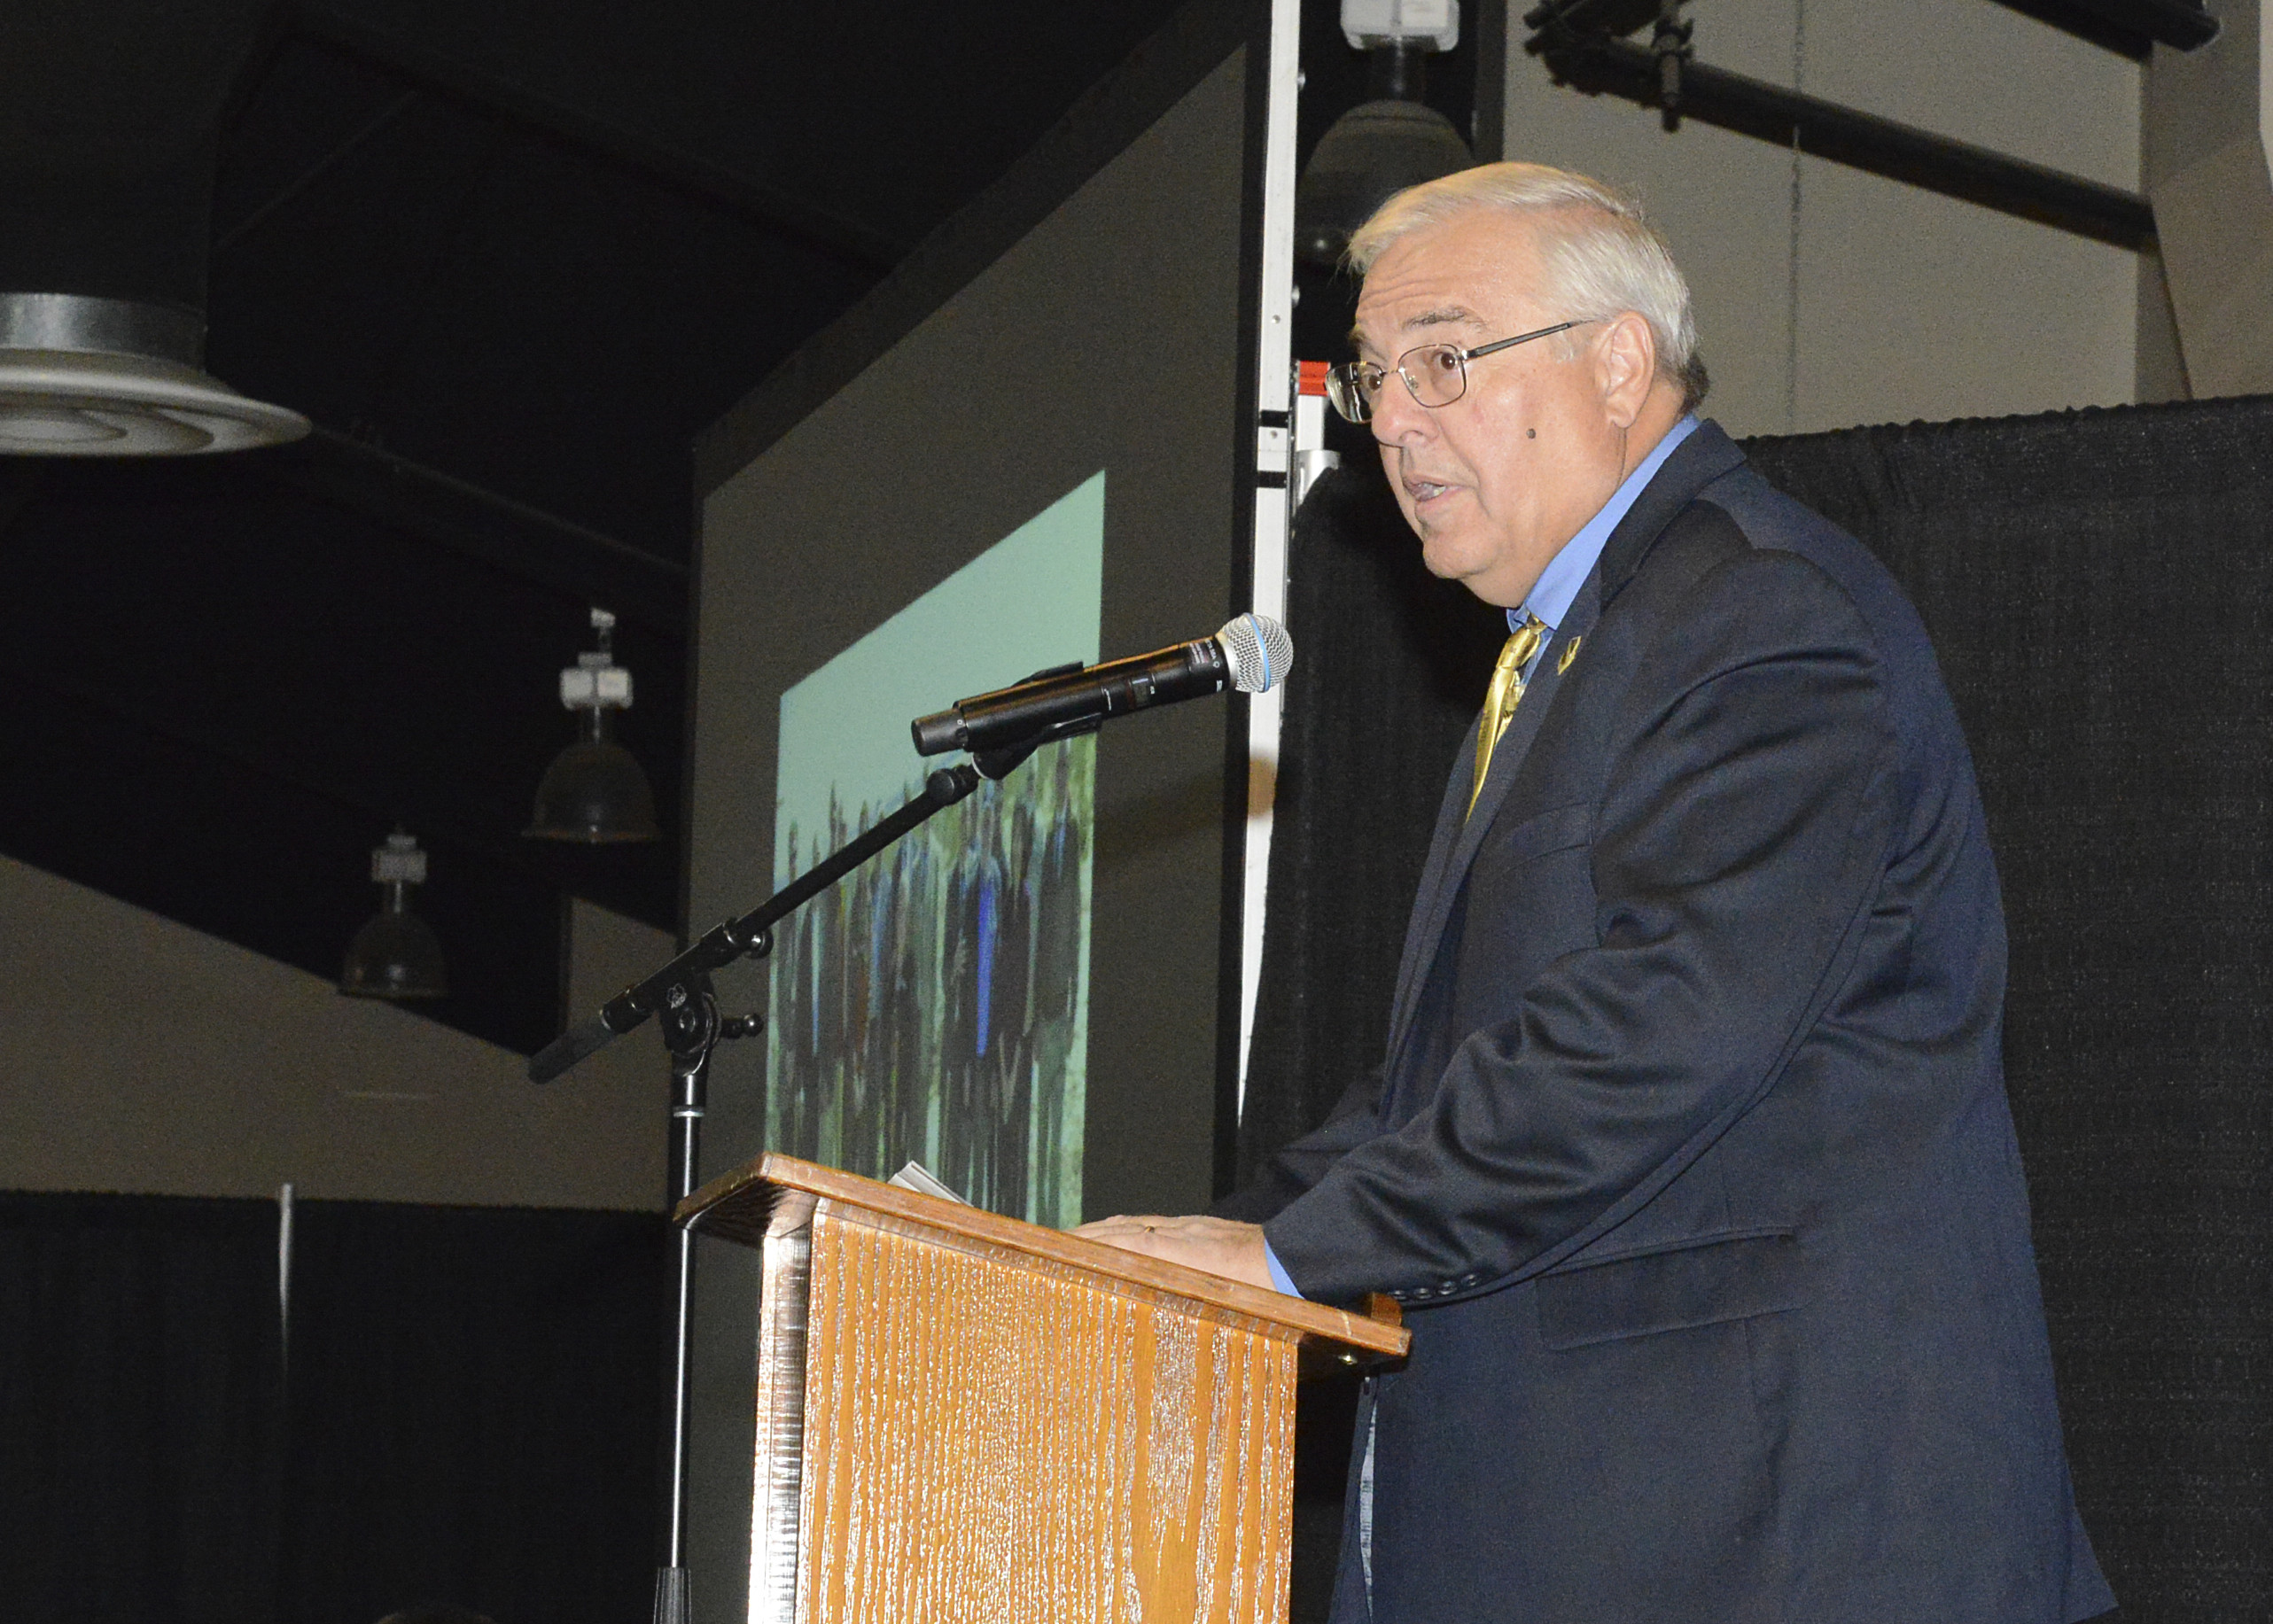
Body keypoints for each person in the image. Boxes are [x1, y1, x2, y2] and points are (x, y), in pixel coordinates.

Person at [1078, 163, 2113, 1623]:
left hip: (1770, 1536)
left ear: (1617, 360)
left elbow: (1657, 1032)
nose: (1392, 418)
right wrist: (1211, 1250)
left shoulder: (1758, 618)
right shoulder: (1567, 653)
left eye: (1443, 357)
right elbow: (1444, 1087)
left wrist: (1294, 1252)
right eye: (1372, 376)